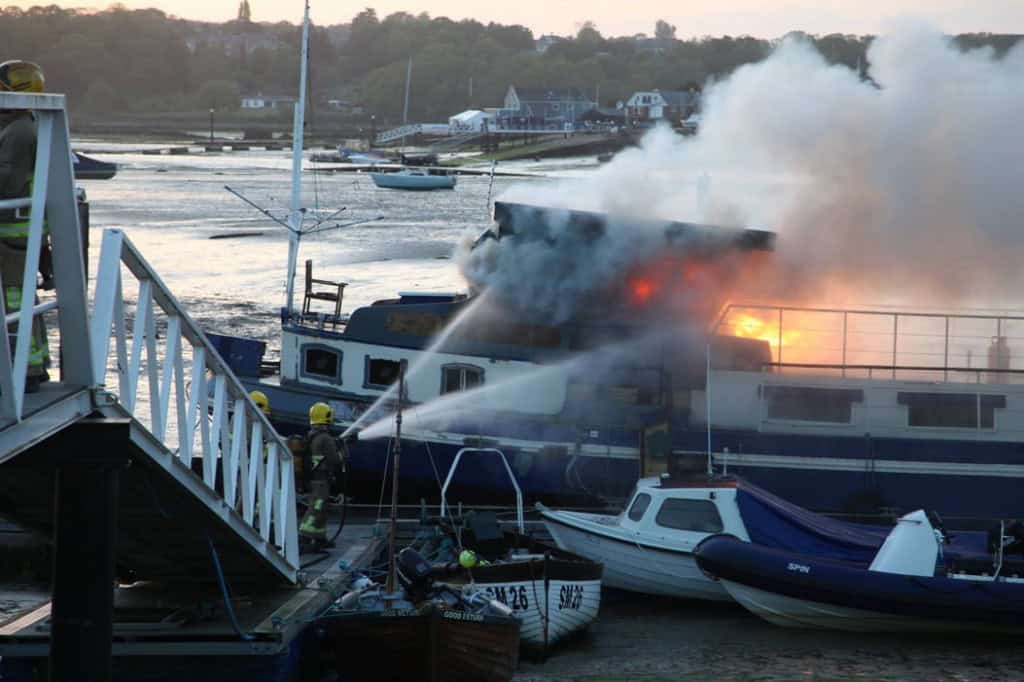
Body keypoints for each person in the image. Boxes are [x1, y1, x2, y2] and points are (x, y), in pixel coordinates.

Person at [0, 60, 50, 391]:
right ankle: (35, 365)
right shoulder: (25, 125)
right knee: (21, 298)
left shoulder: (18, 132)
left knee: (14, 300)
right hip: (23, 232)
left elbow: (7, 181)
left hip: (11, 232)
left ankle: (26, 371)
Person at [298, 401, 343, 545]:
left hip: (313, 480)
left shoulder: (312, 436)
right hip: (322, 481)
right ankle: (304, 535)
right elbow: (334, 459)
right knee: (317, 508)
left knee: (322, 508)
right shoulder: (325, 438)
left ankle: (319, 537)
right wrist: (342, 451)